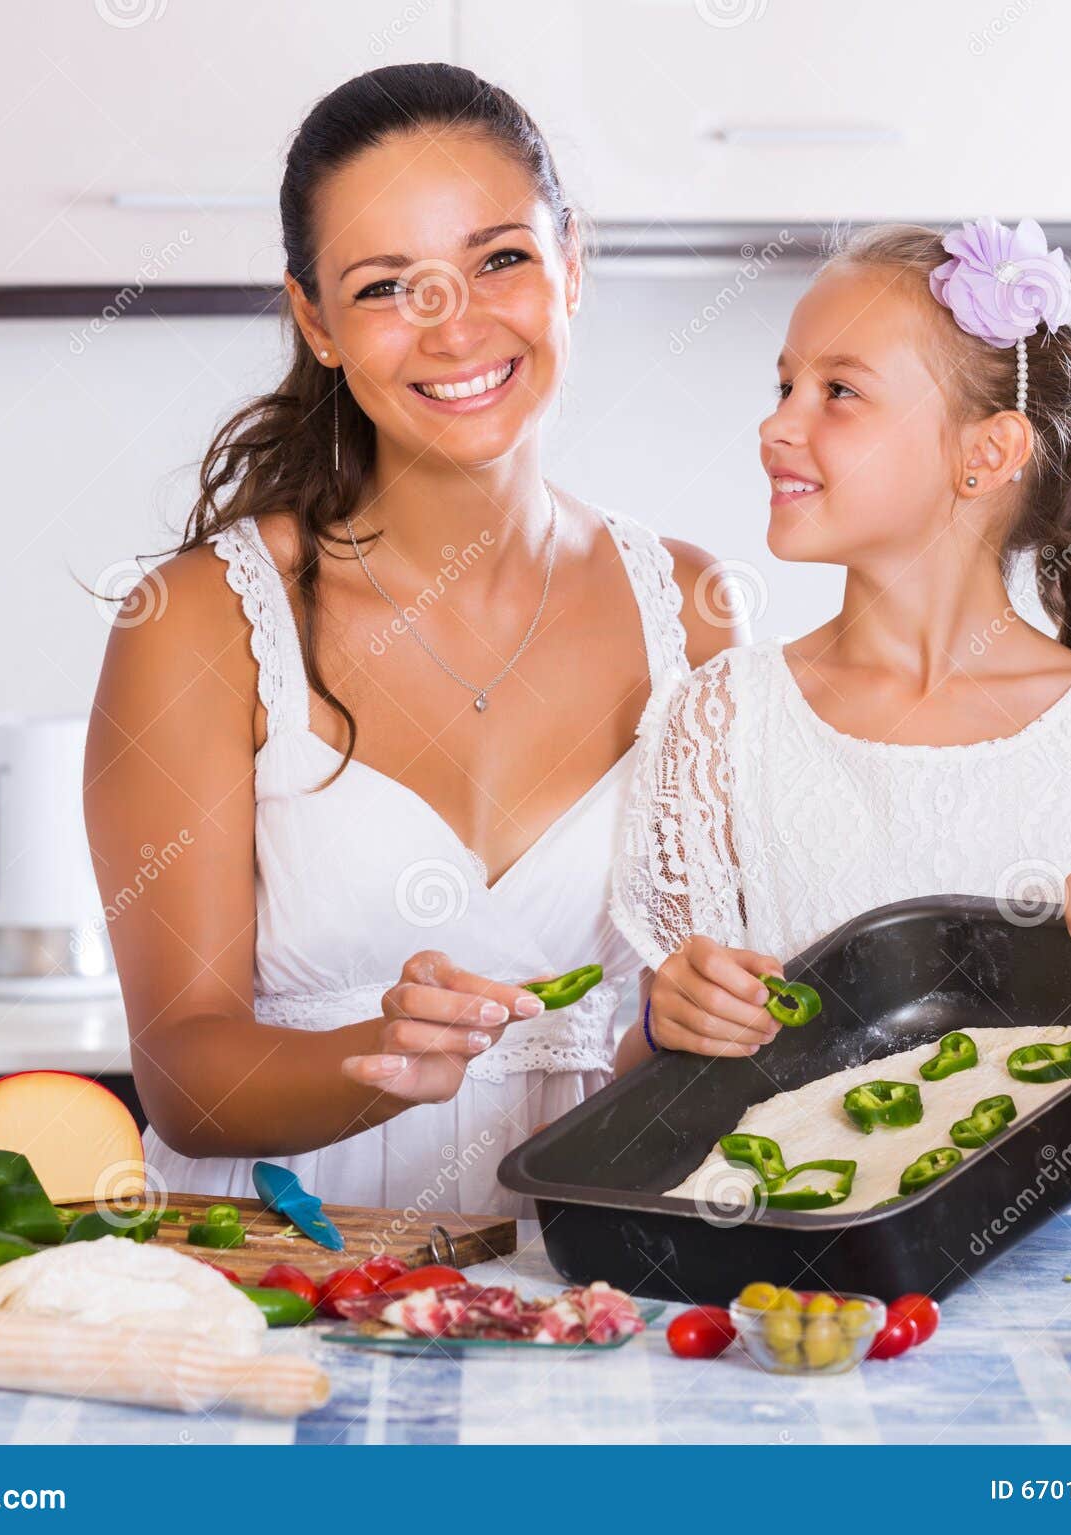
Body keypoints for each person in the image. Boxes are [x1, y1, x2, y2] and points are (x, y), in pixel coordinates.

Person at [84, 64, 733, 1211]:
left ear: (571, 267)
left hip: (600, 1281)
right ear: (316, 323)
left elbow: (685, 1036)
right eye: (389, 285)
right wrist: (373, 1058)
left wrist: (697, 1022)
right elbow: (184, 1072)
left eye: (499, 259)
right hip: (294, 1282)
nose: (456, 323)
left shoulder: (690, 606)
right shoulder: (204, 618)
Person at [612, 218, 1071, 1062]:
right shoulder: (716, 721)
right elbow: (647, 1089)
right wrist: (665, 1021)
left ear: (988, 451)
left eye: (839, 392)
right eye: (784, 386)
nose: (777, 428)